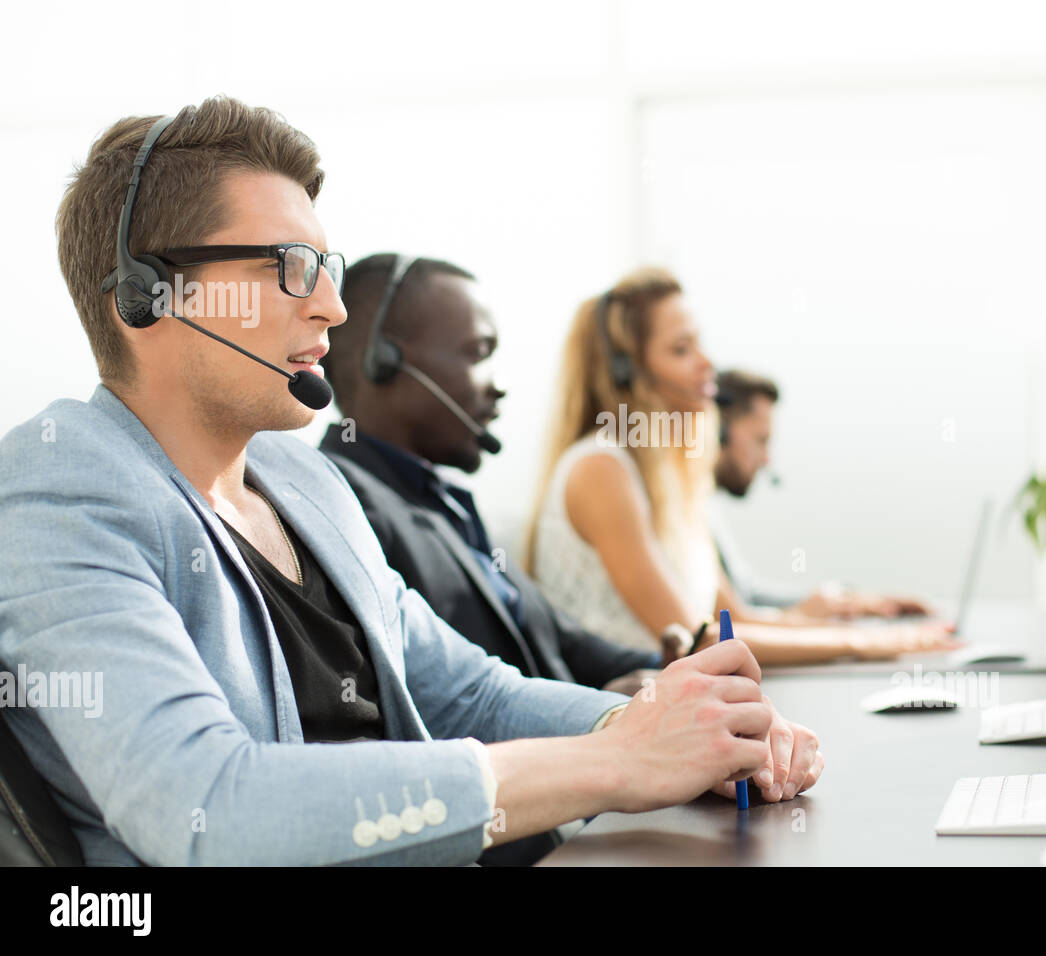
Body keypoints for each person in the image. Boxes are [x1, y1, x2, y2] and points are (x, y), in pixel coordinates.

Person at [0, 98, 821, 867]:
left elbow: (466, 692)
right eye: (290, 265)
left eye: (328, 265)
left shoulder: (301, 479)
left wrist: (670, 728)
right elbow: (202, 804)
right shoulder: (61, 494)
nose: (332, 306)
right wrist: (615, 762)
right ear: (147, 297)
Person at [523, 267, 960, 667]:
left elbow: (732, 618)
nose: (706, 362)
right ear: (626, 374)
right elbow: (700, 641)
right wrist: (863, 645)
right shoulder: (601, 470)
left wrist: (863, 629)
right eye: (681, 349)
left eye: (699, 342)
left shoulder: (669, 478)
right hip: (626, 709)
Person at [318, 253, 669, 698]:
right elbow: (445, 704)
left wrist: (670, 663)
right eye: (478, 353)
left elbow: (564, 642)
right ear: (384, 362)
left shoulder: (443, 498)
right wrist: (600, 713)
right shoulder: (349, 507)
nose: (498, 385)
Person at [713, 368, 933, 620]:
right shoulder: (680, 511)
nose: (766, 459)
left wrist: (850, 601)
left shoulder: (703, 506)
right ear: (719, 432)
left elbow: (746, 594)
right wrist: (802, 617)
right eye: (761, 440)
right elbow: (728, 621)